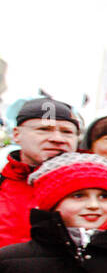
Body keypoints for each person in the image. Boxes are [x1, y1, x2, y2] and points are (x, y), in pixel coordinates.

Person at [1, 98, 80, 249]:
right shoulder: (3, 187)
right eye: (44, 129)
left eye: (67, 132)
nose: (57, 139)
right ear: (16, 134)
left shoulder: (104, 192)